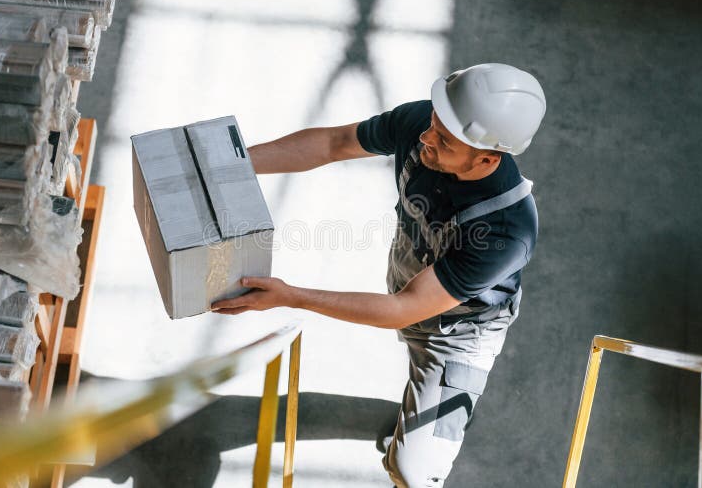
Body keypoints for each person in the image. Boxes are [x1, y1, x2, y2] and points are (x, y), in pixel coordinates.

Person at [212, 63, 546, 487]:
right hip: (408, 284)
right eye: (433, 123)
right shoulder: (422, 125)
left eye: (444, 140)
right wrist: (232, 166)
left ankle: (435, 421)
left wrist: (291, 295)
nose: (426, 138)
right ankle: (417, 411)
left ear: (486, 157)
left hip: (456, 334)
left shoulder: (506, 230)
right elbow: (334, 143)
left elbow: (403, 309)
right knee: (410, 350)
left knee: (410, 470)